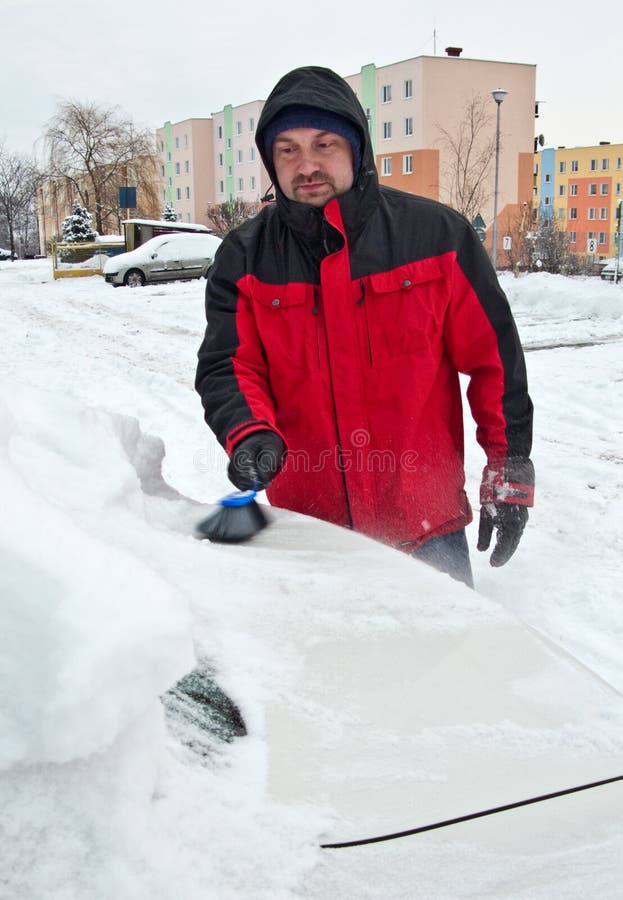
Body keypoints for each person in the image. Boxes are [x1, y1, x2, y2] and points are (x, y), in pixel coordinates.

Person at [195, 65, 534, 587]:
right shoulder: (243, 258)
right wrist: (250, 433)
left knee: (447, 666)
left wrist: (507, 469)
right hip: (311, 533)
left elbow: (494, 359)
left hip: (427, 528)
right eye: (287, 149)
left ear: (356, 148)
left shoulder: (437, 236)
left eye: (324, 144)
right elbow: (229, 365)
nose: (306, 164)